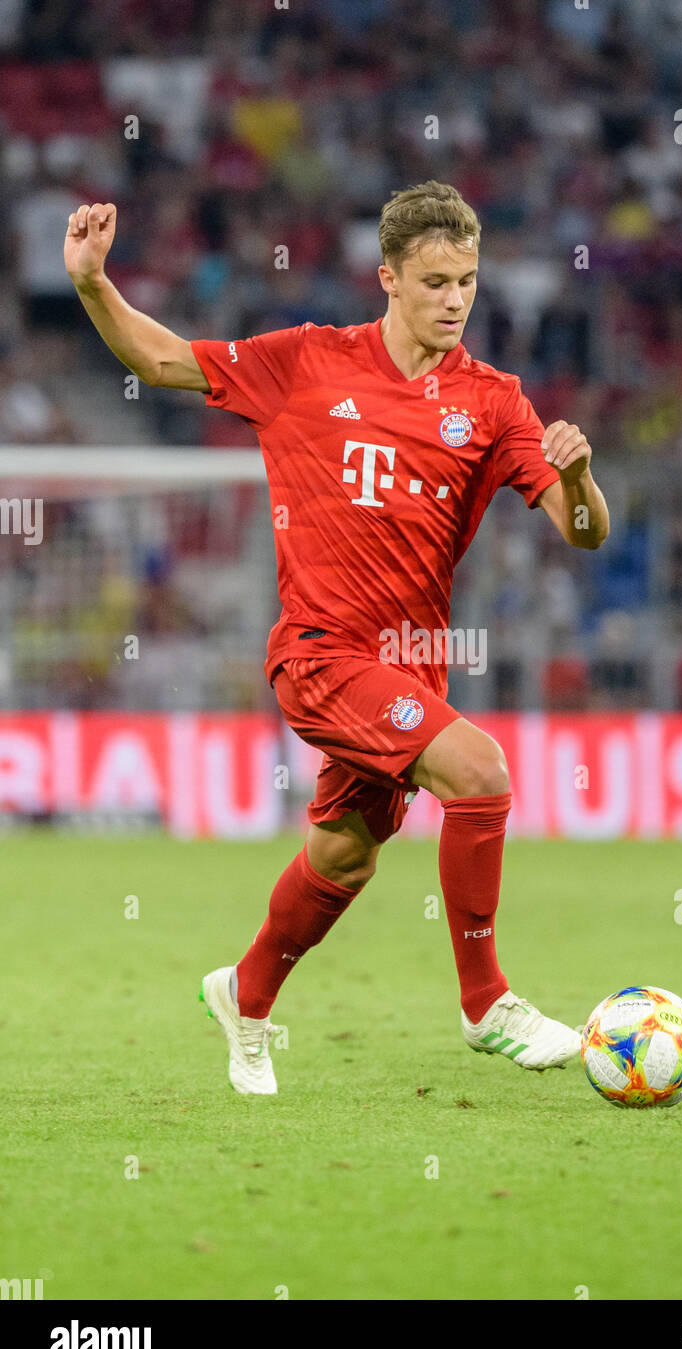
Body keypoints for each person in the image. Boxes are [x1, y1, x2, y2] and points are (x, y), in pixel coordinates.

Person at [65, 180, 609, 1094]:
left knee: (346, 852)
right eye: (436, 281)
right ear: (388, 277)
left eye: (468, 282)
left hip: (410, 672)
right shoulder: (306, 363)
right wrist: (92, 285)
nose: (455, 300)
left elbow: (581, 532)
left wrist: (584, 479)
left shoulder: (494, 403)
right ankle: (486, 1004)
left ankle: (244, 992)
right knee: (479, 774)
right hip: (318, 654)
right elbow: (162, 361)